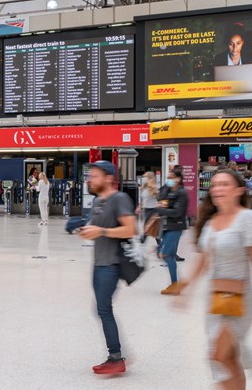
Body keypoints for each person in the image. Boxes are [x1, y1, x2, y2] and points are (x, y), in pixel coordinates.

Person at [176, 169, 252, 389]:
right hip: (215, 300)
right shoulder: (211, 221)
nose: (218, 189)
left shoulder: (248, 218)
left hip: (239, 301)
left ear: (239, 190)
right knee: (229, 358)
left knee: (218, 355)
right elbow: (204, 259)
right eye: (214, 185)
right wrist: (186, 287)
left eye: (224, 184)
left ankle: (250, 362)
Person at [78, 160, 136, 376]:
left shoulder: (119, 198)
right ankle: (117, 355)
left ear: (109, 178)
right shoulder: (97, 201)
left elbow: (130, 229)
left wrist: (101, 231)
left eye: (94, 175)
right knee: (102, 309)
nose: (89, 179)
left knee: (103, 309)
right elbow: (95, 226)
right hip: (98, 263)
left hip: (111, 264)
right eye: (90, 175)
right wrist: (84, 229)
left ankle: (116, 357)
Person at [158, 167, 188, 295]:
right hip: (166, 225)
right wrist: (166, 186)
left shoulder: (182, 193)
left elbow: (177, 212)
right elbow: (160, 197)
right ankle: (175, 284)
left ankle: (176, 284)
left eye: (171, 178)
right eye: (167, 178)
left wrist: (162, 210)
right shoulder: (169, 190)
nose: (168, 180)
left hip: (176, 226)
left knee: (164, 254)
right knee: (167, 255)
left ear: (179, 179)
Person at [138, 172, 158, 242]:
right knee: (151, 228)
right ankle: (159, 245)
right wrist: (139, 206)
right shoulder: (144, 187)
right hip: (146, 209)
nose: (143, 178)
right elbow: (143, 199)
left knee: (148, 227)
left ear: (149, 178)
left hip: (153, 210)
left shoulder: (154, 188)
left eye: (145, 177)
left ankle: (141, 242)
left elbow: (158, 199)